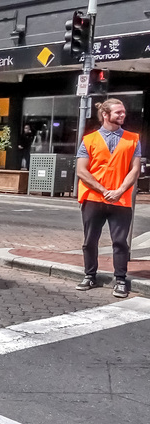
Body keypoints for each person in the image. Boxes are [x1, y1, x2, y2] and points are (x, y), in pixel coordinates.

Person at [75, 98, 141, 298]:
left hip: (121, 199)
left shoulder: (133, 139)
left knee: (120, 241)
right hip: (94, 198)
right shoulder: (89, 140)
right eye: (118, 112)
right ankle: (90, 275)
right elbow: (81, 170)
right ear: (105, 115)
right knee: (89, 241)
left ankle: (120, 279)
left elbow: (135, 170)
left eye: (123, 112)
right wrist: (104, 190)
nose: (123, 115)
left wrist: (119, 191)